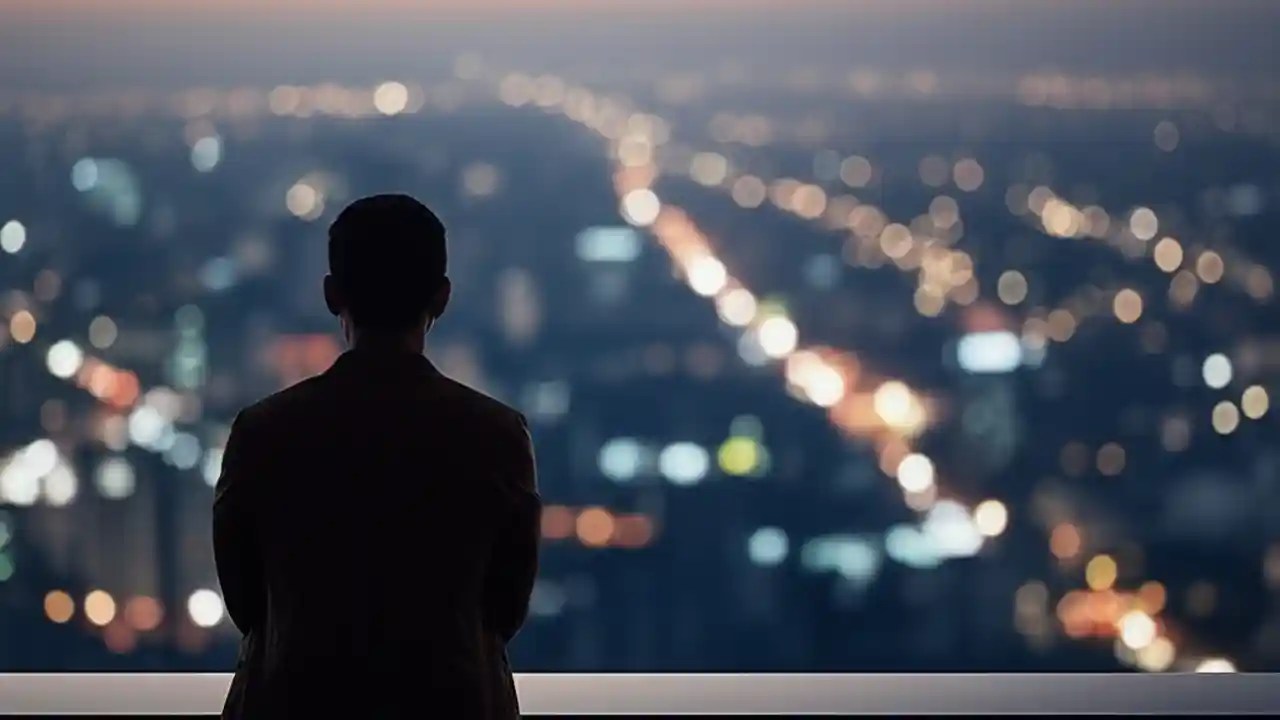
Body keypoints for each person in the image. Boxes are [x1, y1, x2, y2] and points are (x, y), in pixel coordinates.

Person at [213, 194, 541, 719]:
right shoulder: (496, 436)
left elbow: (248, 604)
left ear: (331, 293)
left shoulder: (264, 433)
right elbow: (505, 608)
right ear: (442, 297)